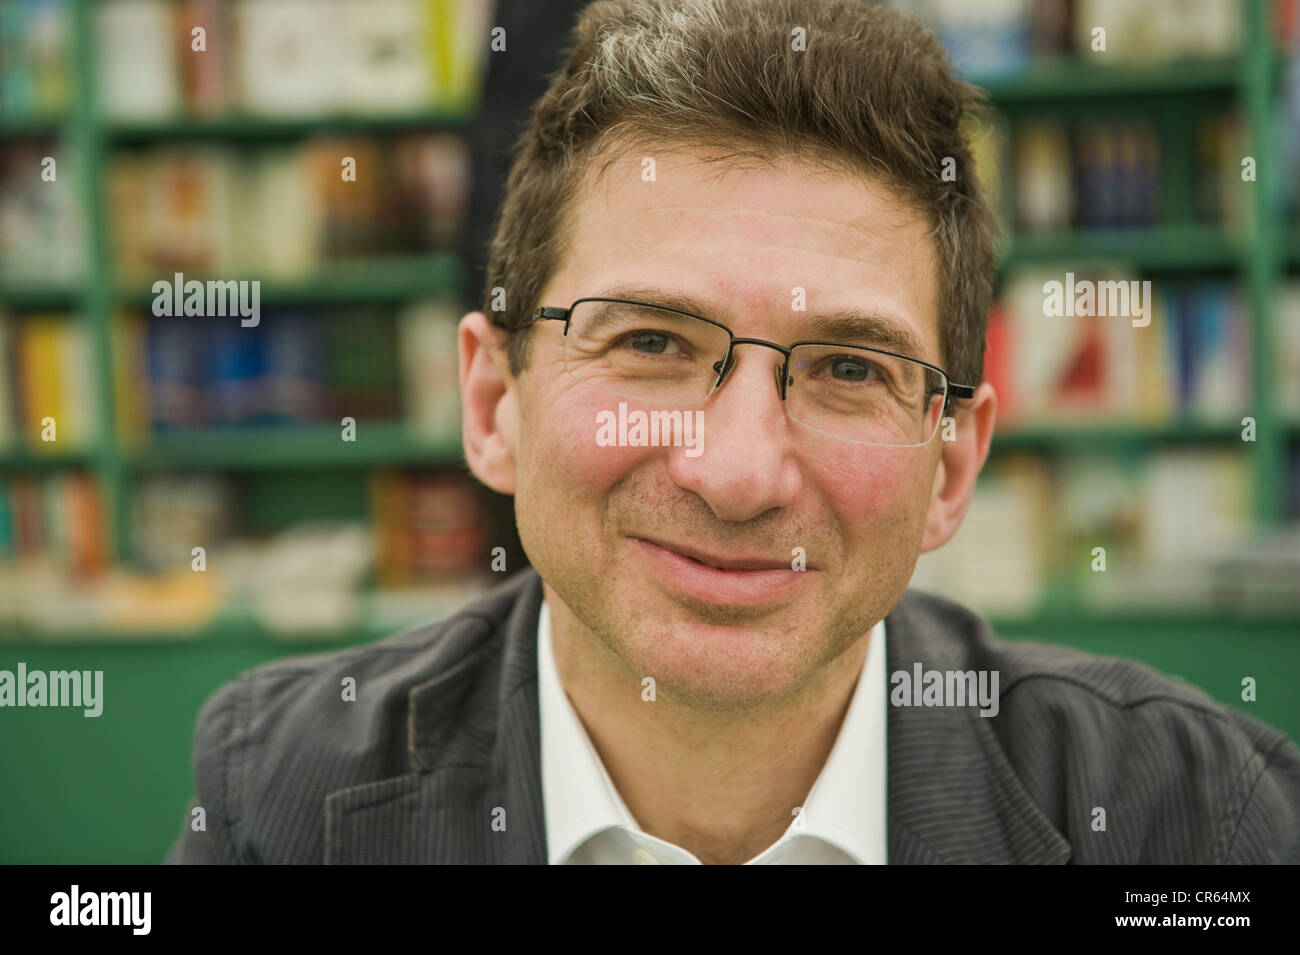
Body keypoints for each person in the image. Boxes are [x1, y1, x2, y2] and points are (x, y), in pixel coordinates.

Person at [165, 0, 1300, 864]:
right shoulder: (282, 795)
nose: (739, 472)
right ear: (491, 403)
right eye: (653, 342)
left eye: (851, 368)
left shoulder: (1192, 813)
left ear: (951, 461)